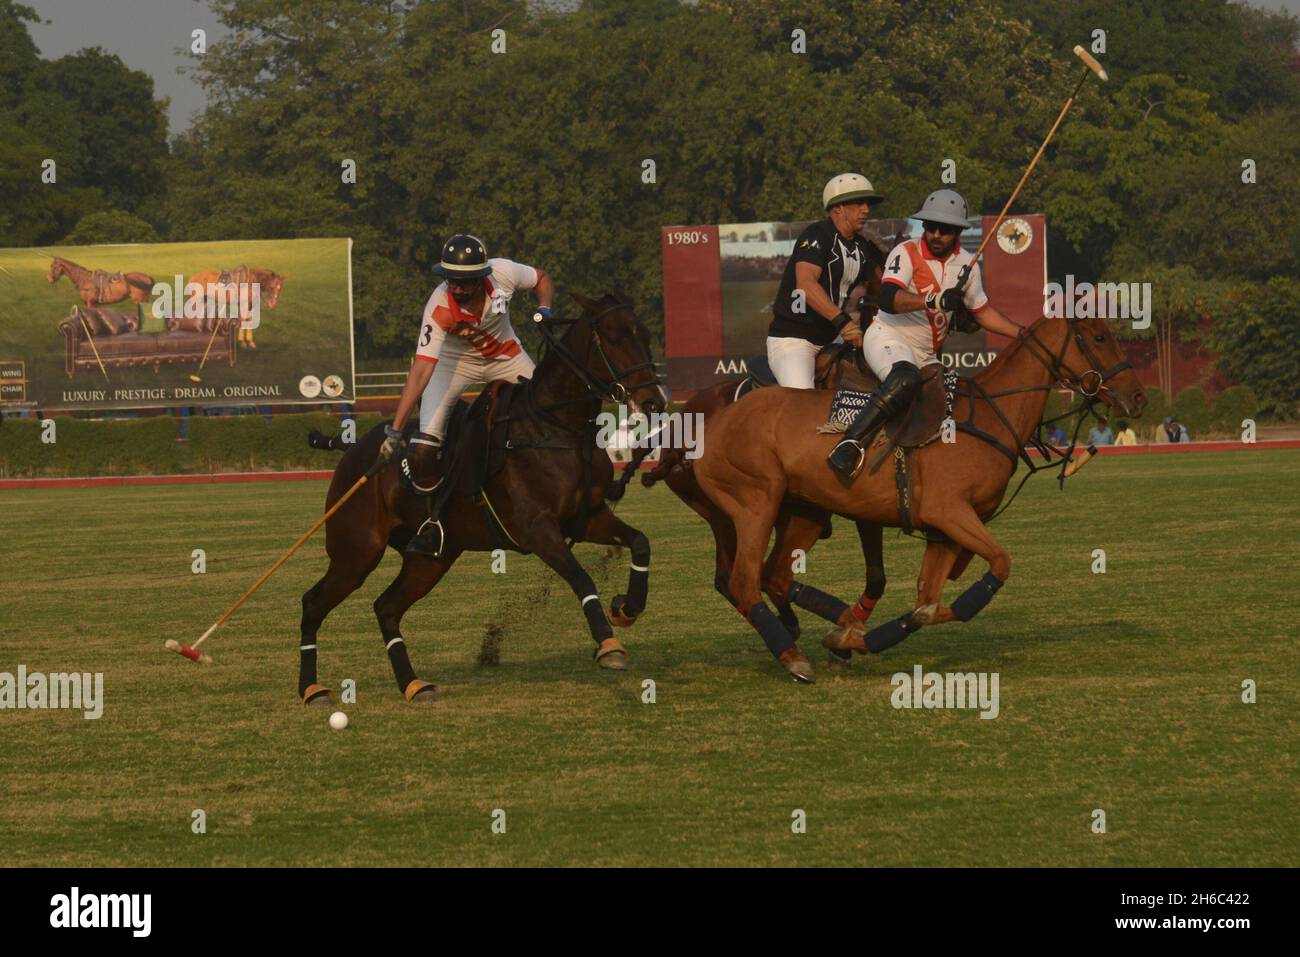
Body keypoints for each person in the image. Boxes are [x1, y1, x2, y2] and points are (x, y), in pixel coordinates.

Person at [379, 234, 554, 557]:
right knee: (423, 452)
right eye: (450, 280)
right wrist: (396, 429)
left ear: (481, 276)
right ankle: (434, 524)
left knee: (548, 411)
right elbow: (420, 370)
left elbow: (542, 278)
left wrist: (544, 308)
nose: (455, 288)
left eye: (463, 281)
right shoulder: (439, 305)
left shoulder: (503, 273)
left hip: (506, 356)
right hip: (453, 364)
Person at [828, 189, 1023, 477]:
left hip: (927, 354)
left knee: (953, 397)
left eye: (944, 229)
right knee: (905, 378)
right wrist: (934, 299)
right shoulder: (905, 253)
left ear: (957, 231)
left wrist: (1023, 334)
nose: (934, 233)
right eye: (930, 226)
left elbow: (983, 313)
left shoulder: (967, 265)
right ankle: (850, 443)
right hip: (888, 337)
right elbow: (888, 298)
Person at [765, 173, 886, 389]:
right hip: (794, 340)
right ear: (837, 207)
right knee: (803, 404)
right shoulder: (816, 235)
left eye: (867, 204)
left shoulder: (861, 246)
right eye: (858, 203)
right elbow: (806, 286)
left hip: (833, 339)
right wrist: (845, 323)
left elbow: (884, 284)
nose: (866, 209)